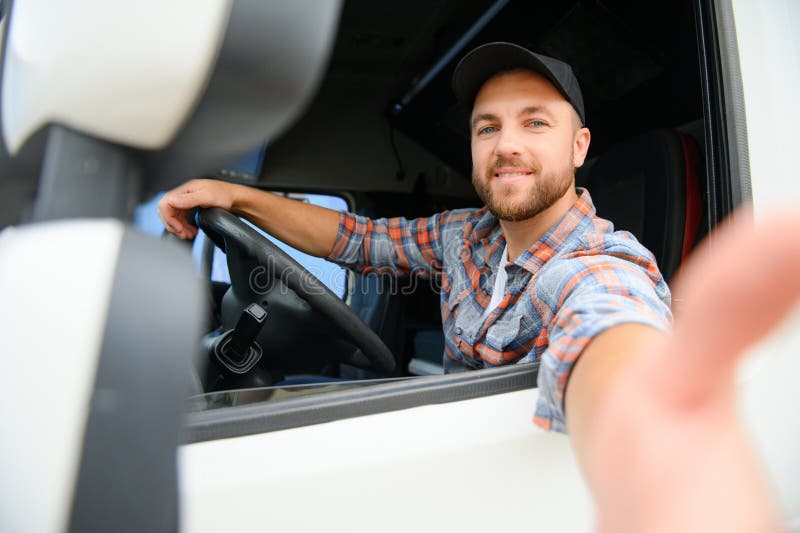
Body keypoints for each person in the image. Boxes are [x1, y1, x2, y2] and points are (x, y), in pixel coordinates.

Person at [160, 42, 787, 530]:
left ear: (579, 146)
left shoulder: (598, 262)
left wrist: (652, 440)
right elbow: (355, 238)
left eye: (535, 123)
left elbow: (611, 330)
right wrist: (238, 196)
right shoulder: (467, 234)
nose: (507, 145)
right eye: (488, 128)